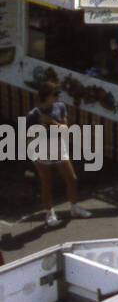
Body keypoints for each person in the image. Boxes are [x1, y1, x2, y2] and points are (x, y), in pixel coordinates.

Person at [28, 83, 91, 227]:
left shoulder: (60, 107)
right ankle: (49, 213)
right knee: (47, 183)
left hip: (58, 146)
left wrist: (51, 123)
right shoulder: (33, 114)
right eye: (55, 94)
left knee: (72, 179)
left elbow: (66, 128)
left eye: (58, 94)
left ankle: (74, 208)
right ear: (46, 96)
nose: (58, 97)